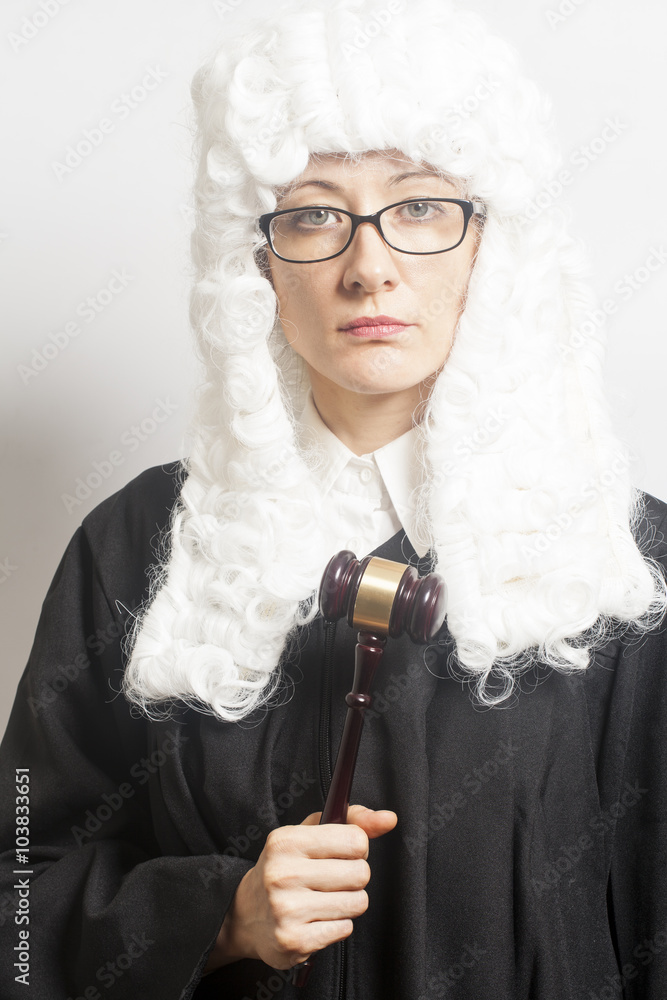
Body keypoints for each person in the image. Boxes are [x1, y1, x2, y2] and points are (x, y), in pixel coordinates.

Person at [2, 1, 667, 998]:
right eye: (314, 212)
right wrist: (215, 915)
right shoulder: (137, 547)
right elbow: (19, 899)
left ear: (488, 243)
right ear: (259, 261)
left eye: (419, 206)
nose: (368, 267)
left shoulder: (619, 564)